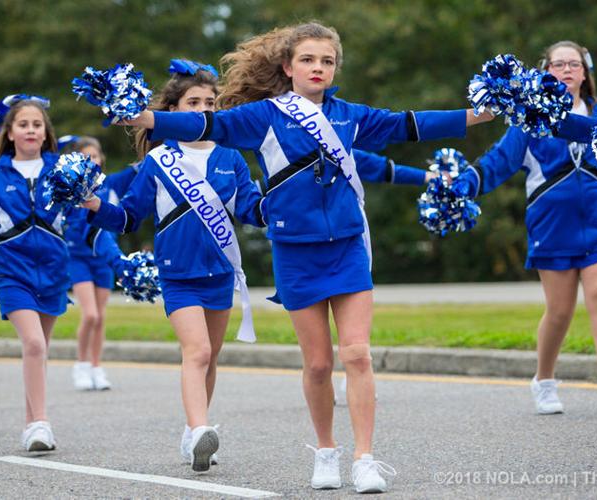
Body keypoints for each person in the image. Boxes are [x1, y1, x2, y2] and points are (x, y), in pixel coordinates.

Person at [111, 23, 491, 493]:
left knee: (357, 354)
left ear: (335, 70)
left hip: (348, 246)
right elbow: (211, 125)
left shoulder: (350, 116)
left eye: (327, 61)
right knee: (316, 366)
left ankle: (365, 458)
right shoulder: (264, 116)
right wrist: (150, 120)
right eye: (309, 59)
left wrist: (477, 114)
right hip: (295, 252)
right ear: (289, 68)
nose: (318, 67)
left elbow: (408, 124)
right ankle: (327, 451)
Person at [459, 41, 597, 419]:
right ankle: (543, 379)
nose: (567, 70)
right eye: (559, 64)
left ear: (586, 73)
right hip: (551, 225)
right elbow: (498, 162)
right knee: (559, 311)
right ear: (546, 71)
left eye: (575, 64)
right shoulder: (529, 120)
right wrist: (465, 184)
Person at [83, 59, 265, 472]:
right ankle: (201, 430)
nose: (202, 108)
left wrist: (280, 203)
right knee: (196, 351)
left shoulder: (231, 158)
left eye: (210, 102)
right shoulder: (159, 160)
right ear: (174, 110)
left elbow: (251, 209)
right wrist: (95, 206)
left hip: (220, 271)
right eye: (193, 102)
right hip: (177, 274)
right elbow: (130, 217)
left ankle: (192, 432)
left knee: (212, 356)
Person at [0, 94, 69, 451]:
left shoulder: (63, 170)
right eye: (23, 124)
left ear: (45, 131)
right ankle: (40, 423)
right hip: (12, 270)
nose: (31, 130)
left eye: (37, 124)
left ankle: (31, 425)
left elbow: (82, 218)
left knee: (39, 351)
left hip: (53, 269)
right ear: (9, 133)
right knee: (34, 343)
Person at [60, 136, 117, 391]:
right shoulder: (69, 190)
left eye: (95, 156)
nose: (92, 161)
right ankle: (81, 365)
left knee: (101, 317)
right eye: (85, 158)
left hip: (102, 259)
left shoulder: (109, 188)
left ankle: (97, 367)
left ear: (101, 159)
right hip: (77, 258)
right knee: (90, 314)